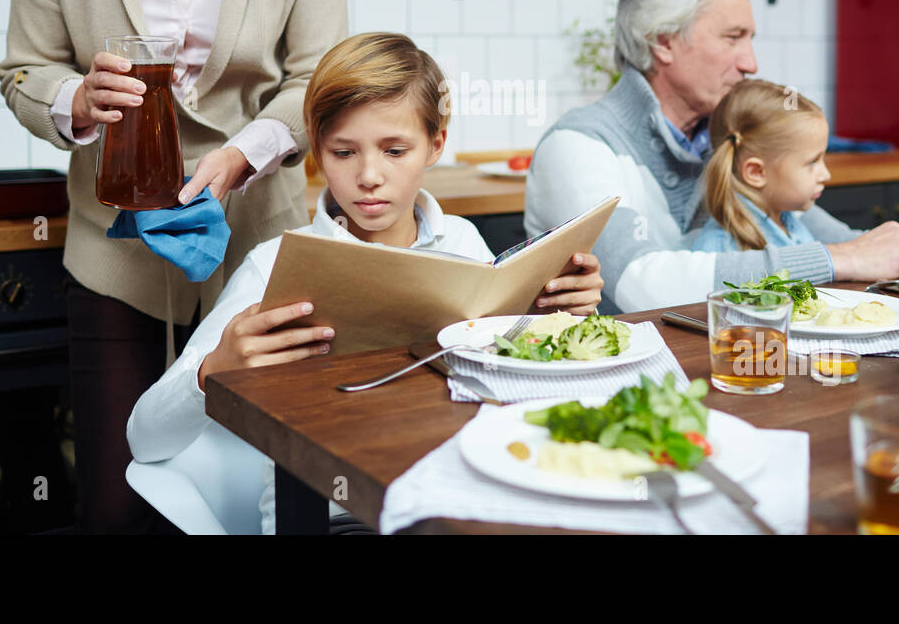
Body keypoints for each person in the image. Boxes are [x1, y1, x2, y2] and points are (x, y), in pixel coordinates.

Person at [0, 0, 347, 532]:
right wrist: (80, 99)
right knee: (122, 499)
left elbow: (320, 81)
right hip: (115, 257)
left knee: (268, 493)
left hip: (262, 247)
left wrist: (238, 158)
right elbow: (23, 71)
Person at [127, 33, 604, 532]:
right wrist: (214, 370)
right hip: (335, 514)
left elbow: (511, 378)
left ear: (436, 144)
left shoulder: (464, 244)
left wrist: (558, 319)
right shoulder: (273, 267)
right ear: (317, 148)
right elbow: (145, 439)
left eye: (395, 150)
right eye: (343, 152)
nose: (369, 176)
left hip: (462, 497)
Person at [525, 0, 899, 314]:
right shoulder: (580, 146)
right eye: (733, 38)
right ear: (663, 42)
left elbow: (857, 244)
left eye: (750, 39)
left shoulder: (730, 138)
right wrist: (839, 259)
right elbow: (639, 283)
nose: (751, 62)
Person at [693, 79, 841, 253]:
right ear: (756, 172)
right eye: (812, 162)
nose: (826, 175)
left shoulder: (790, 224)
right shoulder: (722, 248)